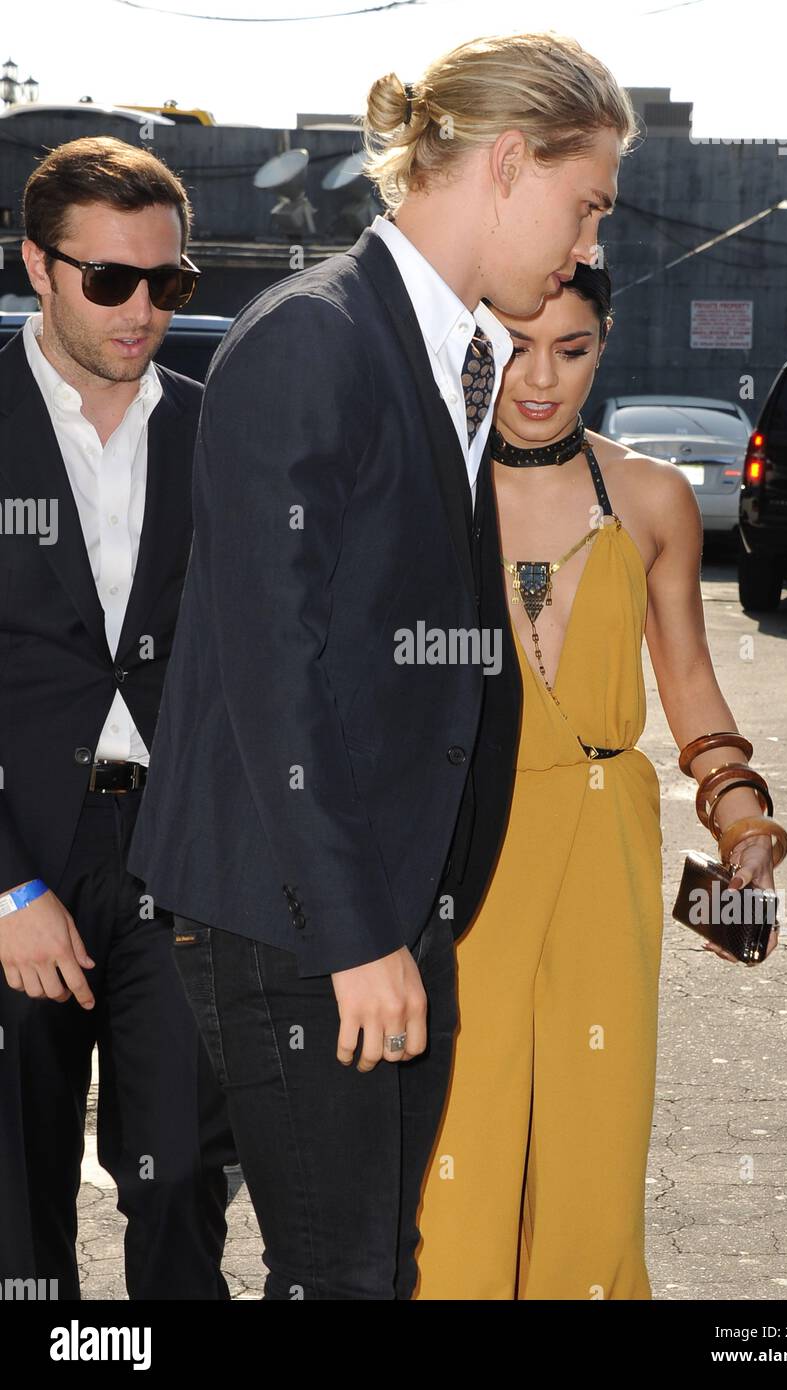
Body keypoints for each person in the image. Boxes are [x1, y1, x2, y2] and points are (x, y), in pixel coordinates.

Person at [126, 33, 637, 1298]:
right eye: (586, 206)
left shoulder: (445, 345)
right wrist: (358, 936)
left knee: (379, 1267)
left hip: (393, 906)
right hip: (298, 913)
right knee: (339, 1272)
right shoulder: (313, 339)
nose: (585, 246)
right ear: (509, 163)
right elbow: (269, 666)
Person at [414, 261, 785, 1299]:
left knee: (592, 1135)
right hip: (462, 846)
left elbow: (690, 684)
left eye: (569, 351)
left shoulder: (653, 497)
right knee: (461, 1139)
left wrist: (740, 811)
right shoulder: (421, 487)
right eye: (512, 348)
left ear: (602, 345)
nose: (540, 379)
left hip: (603, 847)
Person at [0, 136, 234, 1299]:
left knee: (184, 1172)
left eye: (170, 283)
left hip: (177, 865)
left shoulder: (219, 432)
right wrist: (7, 888)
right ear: (38, 267)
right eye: (111, 280)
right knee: (14, 1210)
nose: (143, 310)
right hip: (19, 865)